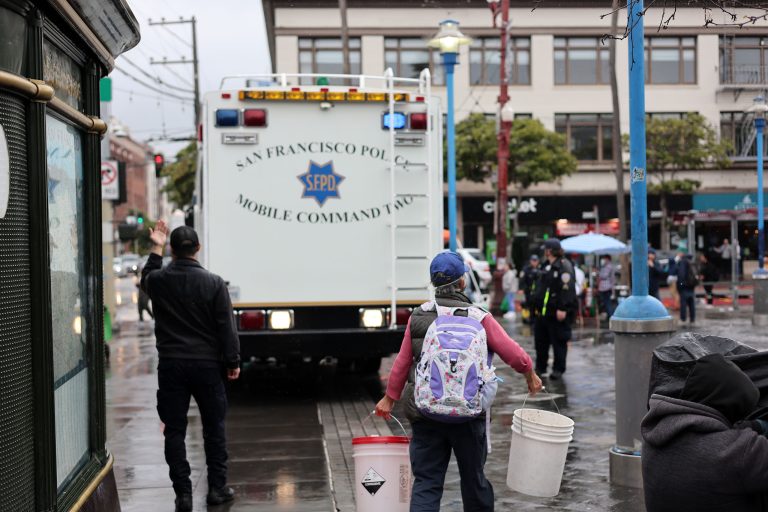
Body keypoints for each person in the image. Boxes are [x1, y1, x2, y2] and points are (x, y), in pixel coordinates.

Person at [374, 251, 542, 512]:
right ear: (463, 282)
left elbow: (402, 362)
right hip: (468, 415)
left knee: (427, 482)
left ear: (433, 284)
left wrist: (389, 398)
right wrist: (529, 373)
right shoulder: (479, 317)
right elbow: (513, 353)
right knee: (474, 480)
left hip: (425, 412)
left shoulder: (419, 316)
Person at [141, 221, 241, 512]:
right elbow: (226, 328)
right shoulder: (214, 283)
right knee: (214, 427)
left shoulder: (159, 280)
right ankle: (217, 489)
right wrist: (232, 361)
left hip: (172, 365)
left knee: (174, 430)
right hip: (208, 366)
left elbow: (146, 277)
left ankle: (183, 493)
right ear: (198, 248)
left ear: (172, 249)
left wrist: (155, 246)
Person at [642, 353, 768, 512]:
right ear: (729, 411)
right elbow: (728, 451)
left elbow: (704, 444)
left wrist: (752, 426)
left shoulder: (655, 433)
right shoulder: (740, 452)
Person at [532, 239, 578, 380]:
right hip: (543, 313)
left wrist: (563, 308)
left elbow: (567, 289)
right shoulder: (546, 265)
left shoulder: (564, 266)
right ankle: (540, 368)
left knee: (559, 342)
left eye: (546, 249)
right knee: (541, 343)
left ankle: (558, 369)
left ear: (550, 251)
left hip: (556, 313)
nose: (544, 252)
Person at [675, 249, 697, 324]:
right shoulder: (692, 261)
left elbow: (681, 274)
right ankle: (692, 318)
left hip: (684, 286)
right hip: (692, 285)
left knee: (683, 303)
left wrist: (680, 285)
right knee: (691, 302)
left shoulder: (683, 262)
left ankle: (683, 318)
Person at [519, 254, 540, 325]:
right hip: (527, 291)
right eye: (533, 261)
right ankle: (526, 318)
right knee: (525, 305)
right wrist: (521, 289)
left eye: (536, 261)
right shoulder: (526, 269)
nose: (534, 262)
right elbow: (522, 280)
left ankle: (534, 319)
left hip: (537, 292)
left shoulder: (540, 269)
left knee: (535, 306)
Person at [597, 255, 616, 320]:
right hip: (605, 287)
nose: (603, 260)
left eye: (604, 258)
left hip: (606, 287)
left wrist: (598, 273)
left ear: (607, 259)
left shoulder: (608, 266)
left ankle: (611, 316)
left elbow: (603, 275)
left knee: (607, 303)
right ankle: (609, 316)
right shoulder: (606, 266)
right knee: (606, 302)